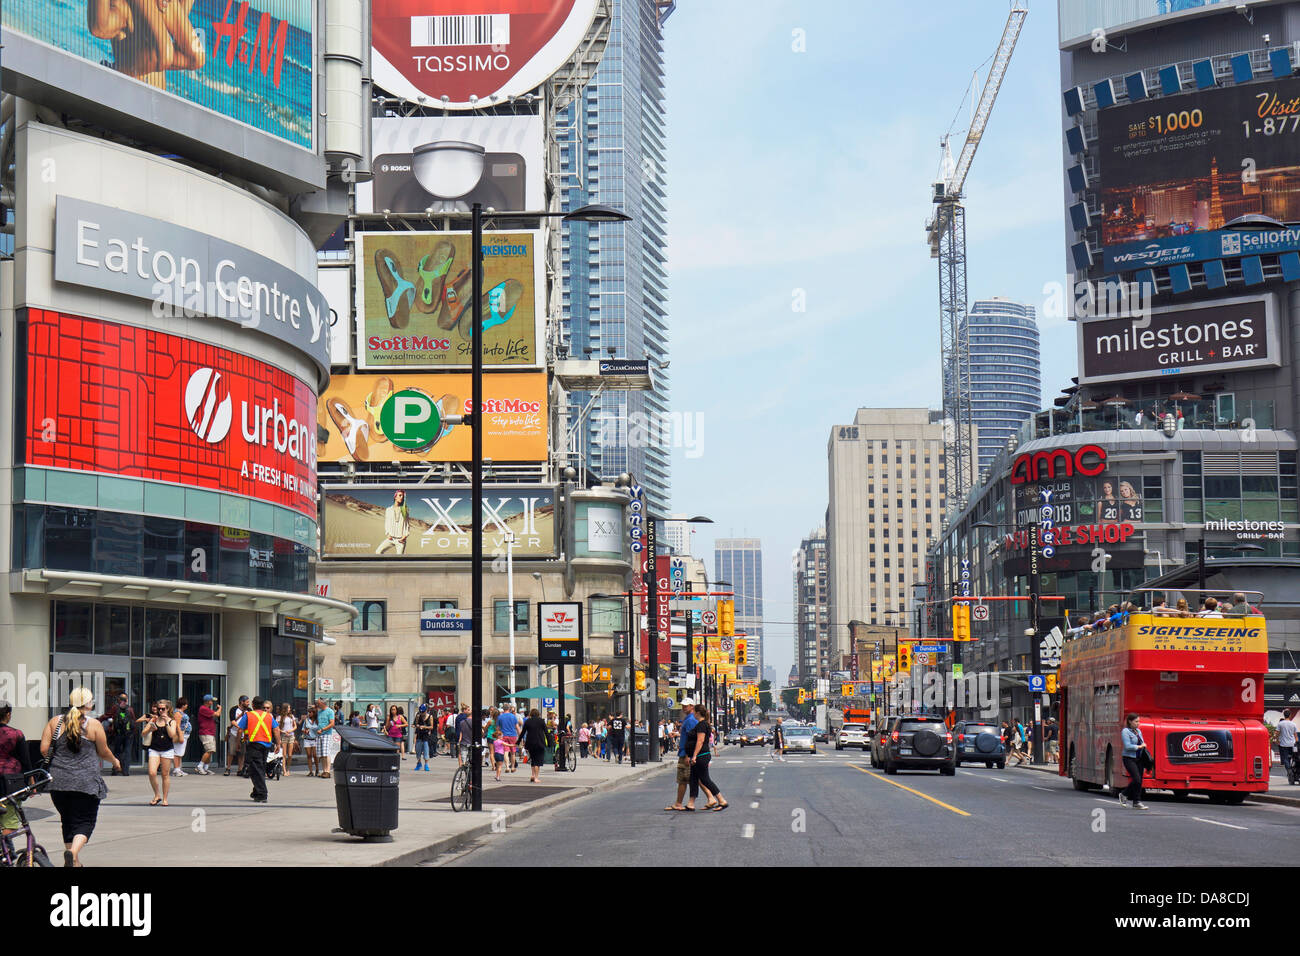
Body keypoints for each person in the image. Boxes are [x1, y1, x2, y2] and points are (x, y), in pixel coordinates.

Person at [41, 687, 120, 866]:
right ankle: (73, 852)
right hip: (86, 783)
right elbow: (103, 751)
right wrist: (115, 761)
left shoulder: (56, 722)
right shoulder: (93, 725)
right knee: (85, 821)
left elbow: (44, 749)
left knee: (67, 820)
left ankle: (74, 862)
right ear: (88, 704)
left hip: (58, 782)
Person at [88, 0, 206, 89]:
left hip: (149, 98)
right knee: (164, 54)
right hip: (128, 94)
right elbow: (98, 28)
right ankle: (121, 69)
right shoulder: (122, 10)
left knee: (196, 58)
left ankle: (121, 68)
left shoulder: (169, 8)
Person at [0, 701, 36, 838]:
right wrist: (31, 781)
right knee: (10, 822)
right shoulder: (16, 734)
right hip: (10, 782)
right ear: (8, 715)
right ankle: (5, 852)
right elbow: (25, 760)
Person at [237, 697, 280, 804]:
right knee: (260, 768)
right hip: (266, 745)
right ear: (262, 705)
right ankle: (256, 791)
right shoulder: (269, 716)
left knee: (255, 769)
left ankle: (262, 794)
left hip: (254, 745)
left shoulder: (248, 715)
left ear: (253, 704)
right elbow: (276, 729)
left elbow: (240, 729)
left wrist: (238, 743)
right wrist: (278, 743)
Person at [138, 700, 178, 806]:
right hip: (154, 749)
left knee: (165, 774)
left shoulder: (171, 721)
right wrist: (150, 729)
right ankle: (157, 795)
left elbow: (172, 735)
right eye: (159, 708)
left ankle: (165, 798)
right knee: (152, 772)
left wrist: (166, 723)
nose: (160, 710)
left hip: (167, 749)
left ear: (168, 709)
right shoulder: (154, 719)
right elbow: (143, 733)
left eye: (163, 709)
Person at [663, 699, 700, 811]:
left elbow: (692, 738)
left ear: (692, 706)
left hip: (686, 754)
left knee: (695, 779)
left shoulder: (691, 720)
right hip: (684, 753)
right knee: (684, 779)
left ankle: (713, 797)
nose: (684, 708)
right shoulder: (688, 719)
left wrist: (689, 755)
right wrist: (678, 734)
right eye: (683, 706)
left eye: (686, 706)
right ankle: (678, 803)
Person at [688, 708, 726, 811]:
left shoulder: (701, 725)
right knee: (693, 779)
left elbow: (700, 741)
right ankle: (691, 803)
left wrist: (695, 755)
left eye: (694, 712)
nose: (693, 714)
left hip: (701, 755)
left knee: (705, 779)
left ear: (698, 713)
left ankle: (721, 800)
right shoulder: (703, 724)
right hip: (700, 755)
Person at [100, 693, 136, 776]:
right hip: (128, 734)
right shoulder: (130, 709)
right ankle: (126, 771)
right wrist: (133, 733)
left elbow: (106, 715)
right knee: (127, 752)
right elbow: (133, 721)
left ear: (119, 700)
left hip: (118, 733)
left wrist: (99, 720)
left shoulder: (115, 708)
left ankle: (116, 769)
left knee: (117, 751)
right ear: (126, 700)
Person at [1119, 712, 1149, 809]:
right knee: (1136, 779)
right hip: (1129, 758)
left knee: (1139, 781)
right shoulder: (1125, 731)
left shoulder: (1138, 731)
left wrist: (1143, 746)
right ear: (1130, 721)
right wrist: (1139, 746)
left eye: (1139, 721)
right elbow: (1127, 746)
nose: (1138, 723)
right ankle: (1123, 794)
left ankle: (1136, 802)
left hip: (1139, 758)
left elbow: (1142, 742)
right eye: (1136, 721)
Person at [376, 489, 411, 554]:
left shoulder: (405, 510)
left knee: (399, 560)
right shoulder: (388, 510)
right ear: (395, 497)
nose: (401, 497)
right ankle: (385, 564)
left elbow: (407, 525)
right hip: (391, 538)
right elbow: (387, 523)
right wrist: (387, 534)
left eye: (403, 496)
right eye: (400, 495)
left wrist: (405, 536)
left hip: (401, 540)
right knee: (378, 552)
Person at [520, 708, 548, 783]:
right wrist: (549, 742)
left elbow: (523, 732)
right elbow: (546, 732)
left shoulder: (528, 721)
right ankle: (536, 777)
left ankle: (532, 775)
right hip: (540, 743)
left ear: (531, 714)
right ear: (538, 714)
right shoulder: (541, 721)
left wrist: (518, 741)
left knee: (533, 759)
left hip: (530, 743)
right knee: (538, 761)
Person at [195, 694, 220, 775]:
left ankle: (206, 768)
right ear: (207, 701)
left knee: (210, 751)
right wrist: (220, 709)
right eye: (211, 701)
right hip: (206, 732)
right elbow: (217, 714)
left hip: (210, 732)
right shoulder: (203, 708)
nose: (212, 702)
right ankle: (200, 766)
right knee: (209, 750)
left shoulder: (207, 709)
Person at [225, 695, 250, 776]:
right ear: (241, 702)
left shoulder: (249, 710)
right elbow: (232, 721)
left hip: (244, 735)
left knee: (242, 752)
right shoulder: (234, 709)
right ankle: (228, 768)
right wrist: (240, 727)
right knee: (231, 751)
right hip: (234, 733)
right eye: (247, 702)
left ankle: (240, 769)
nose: (248, 703)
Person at [315, 698, 337, 779]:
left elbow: (332, 723)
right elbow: (318, 722)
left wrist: (323, 729)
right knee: (322, 753)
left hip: (326, 733)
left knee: (326, 752)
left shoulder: (330, 711)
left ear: (323, 703)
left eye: (318, 703)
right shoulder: (319, 711)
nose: (317, 704)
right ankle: (324, 770)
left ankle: (327, 771)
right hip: (319, 734)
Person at [171, 697, 190, 777]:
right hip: (181, 733)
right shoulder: (177, 713)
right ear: (183, 705)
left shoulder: (181, 712)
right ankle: (176, 769)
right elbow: (177, 725)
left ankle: (179, 768)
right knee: (177, 752)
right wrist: (180, 735)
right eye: (186, 704)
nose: (187, 705)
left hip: (184, 733)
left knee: (180, 752)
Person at [498, 704, 520, 773]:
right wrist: (520, 737)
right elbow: (517, 728)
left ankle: (507, 767)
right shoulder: (513, 716)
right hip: (513, 735)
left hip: (503, 736)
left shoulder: (500, 717)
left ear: (503, 709)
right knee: (513, 753)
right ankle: (513, 767)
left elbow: (497, 728)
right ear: (509, 709)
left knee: (505, 752)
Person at [1278, 709, 1298, 782]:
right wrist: (1296, 742)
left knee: (1286, 758)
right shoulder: (1293, 724)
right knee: (1294, 757)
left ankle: (1289, 770)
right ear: (1290, 715)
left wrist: (1277, 740)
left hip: (1284, 744)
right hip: (1292, 744)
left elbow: (1277, 733)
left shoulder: (1280, 724)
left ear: (1284, 715)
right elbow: (1295, 735)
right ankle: (1292, 769)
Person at [413, 705, 434, 771]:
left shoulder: (430, 716)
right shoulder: (418, 716)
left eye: (423, 712)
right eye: (421, 712)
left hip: (426, 736)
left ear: (426, 711)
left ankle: (426, 764)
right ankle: (419, 763)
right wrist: (417, 726)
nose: (422, 713)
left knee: (426, 750)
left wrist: (424, 727)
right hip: (419, 735)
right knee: (418, 750)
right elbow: (414, 724)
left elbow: (431, 727)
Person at [302, 707, 320, 776]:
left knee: (315, 755)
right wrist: (305, 731)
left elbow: (319, 729)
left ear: (314, 713)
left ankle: (317, 769)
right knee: (309, 755)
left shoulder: (317, 721)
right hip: (307, 739)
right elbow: (303, 729)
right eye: (308, 712)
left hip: (315, 739)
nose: (309, 714)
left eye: (310, 712)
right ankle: (310, 771)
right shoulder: (306, 720)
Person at [279, 704, 297, 775]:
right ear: (285, 709)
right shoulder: (280, 717)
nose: (290, 709)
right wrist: (283, 731)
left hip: (291, 735)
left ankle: (288, 768)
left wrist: (291, 730)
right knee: (284, 754)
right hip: (284, 736)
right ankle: (284, 770)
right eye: (289, 708)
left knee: (290, 755)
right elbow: (278, 728)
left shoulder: (291, 716)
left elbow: (295, 726)